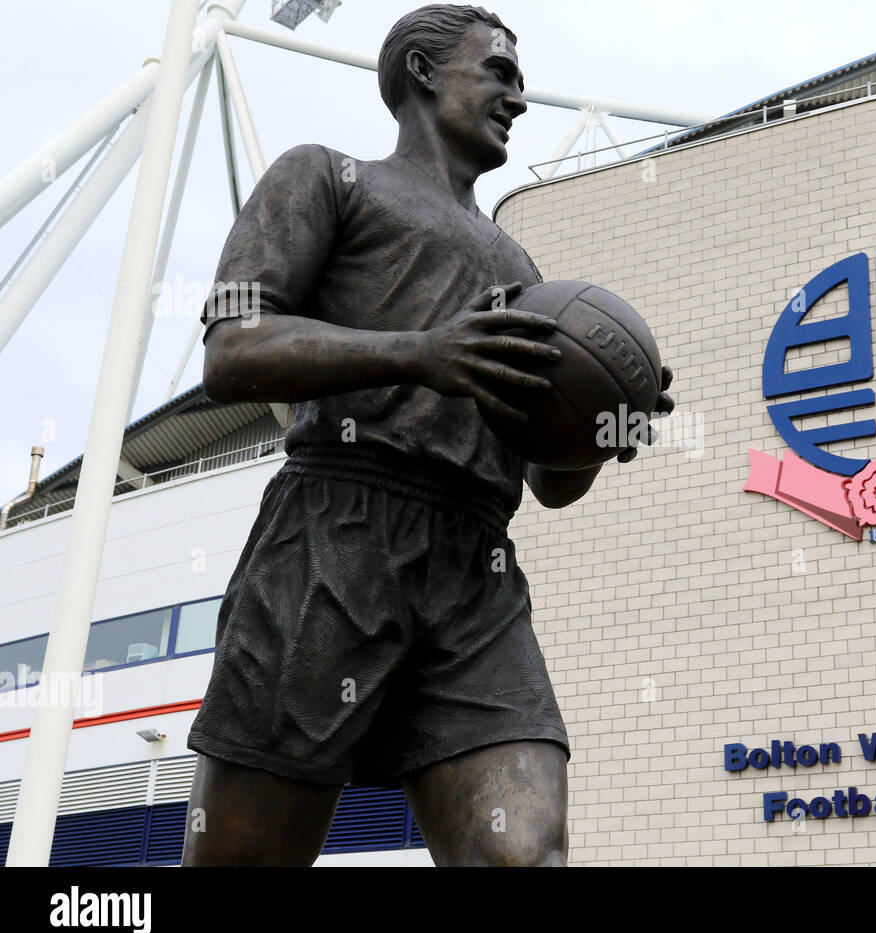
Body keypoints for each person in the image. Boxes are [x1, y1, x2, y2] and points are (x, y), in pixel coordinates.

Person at [182, 3, 673, 867]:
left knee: (525, 859)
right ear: (419, 71)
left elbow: (549, 483)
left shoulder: (522, 273)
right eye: (498, 74)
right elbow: (233, 349)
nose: (517, 99)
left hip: (476, 568)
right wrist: (419, 353)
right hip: (335, 533)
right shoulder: (328, 177)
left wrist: (603, 431)